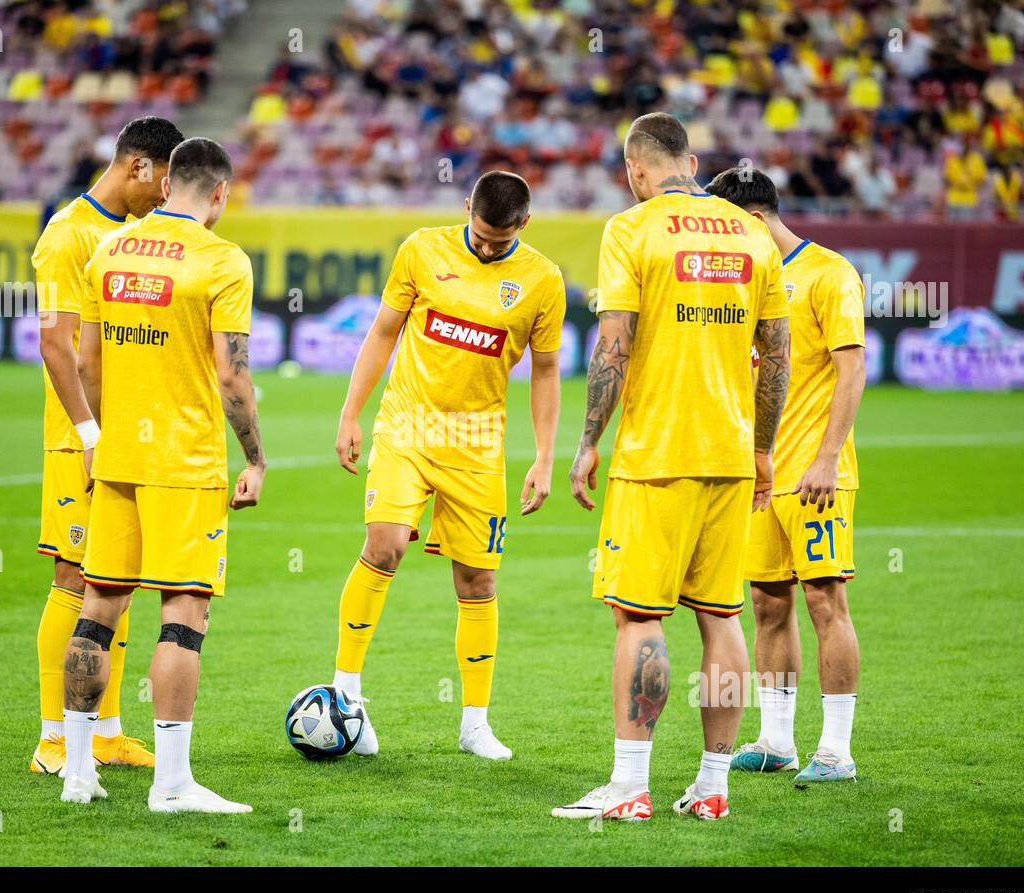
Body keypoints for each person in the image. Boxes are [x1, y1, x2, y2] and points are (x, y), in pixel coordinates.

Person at [552, 113, 790, 822]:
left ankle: (630, 786)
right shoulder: (751, 233)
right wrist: (764, 447)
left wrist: (590, 438)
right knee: (721, 618)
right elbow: (775, 353)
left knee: (639, 617)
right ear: (693, 160)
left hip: (658, 454)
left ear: (635, 170)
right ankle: (713, 784)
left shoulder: (632, 229)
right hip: (731, 452)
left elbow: (614, 345)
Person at [331, 170, 565, 760]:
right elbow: (384, 331)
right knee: (384, 546)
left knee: (477, 581)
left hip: (480, 442)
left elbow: (543, 370)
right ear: (467, 208)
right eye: (480, 236)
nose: (487, 247)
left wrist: (543, 455)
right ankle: (347, 698)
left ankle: (475, 724)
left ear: (525, 224)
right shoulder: (420, 249)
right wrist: (350, 413)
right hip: (407, 425)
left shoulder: (542, 280)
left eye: (499, 240)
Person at [61, 137, 264, 812]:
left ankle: (77, 769)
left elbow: (86, 361)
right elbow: (232, 375)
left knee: (97, 611)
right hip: (184, 459)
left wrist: (96, 435)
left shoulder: (110, 250)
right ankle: (172, 783)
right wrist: (255, 456)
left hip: (118, 452)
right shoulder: (222, 260)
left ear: (167, 179)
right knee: (183, 613)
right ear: (220, 194)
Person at [28, 116, 183, 776]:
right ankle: (54, 739)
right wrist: (91, 433)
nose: (168, 196)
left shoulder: (140, 237)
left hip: (132, 437)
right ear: (139, 167)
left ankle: (107, 733)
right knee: (74, 576)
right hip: (81, 438)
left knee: (112, 582)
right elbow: (54, 344)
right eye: (164, 182)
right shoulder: (69, 234)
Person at [706, 167, 865, 785]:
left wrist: (826, 457)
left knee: (827, 601)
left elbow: (851, 371)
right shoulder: (747, 282)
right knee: (768, 605)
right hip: (759, 478)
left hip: (816, 476)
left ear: (750, 218)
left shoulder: (829, 273)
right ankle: (776, 740)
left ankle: (836, 750)